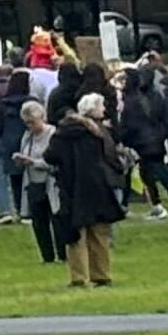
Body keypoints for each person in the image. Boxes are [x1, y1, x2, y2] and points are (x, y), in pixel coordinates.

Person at [48, 95, 129, 288]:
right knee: (99, 232)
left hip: (70, 185)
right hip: (96, 184)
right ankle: (101, 274)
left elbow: (50, 156)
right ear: (92, 110)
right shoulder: (97, 133)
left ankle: (78, 277)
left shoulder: (62, 133)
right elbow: (108, 156)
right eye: (101, 106)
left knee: (75, 233)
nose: (104, 109)